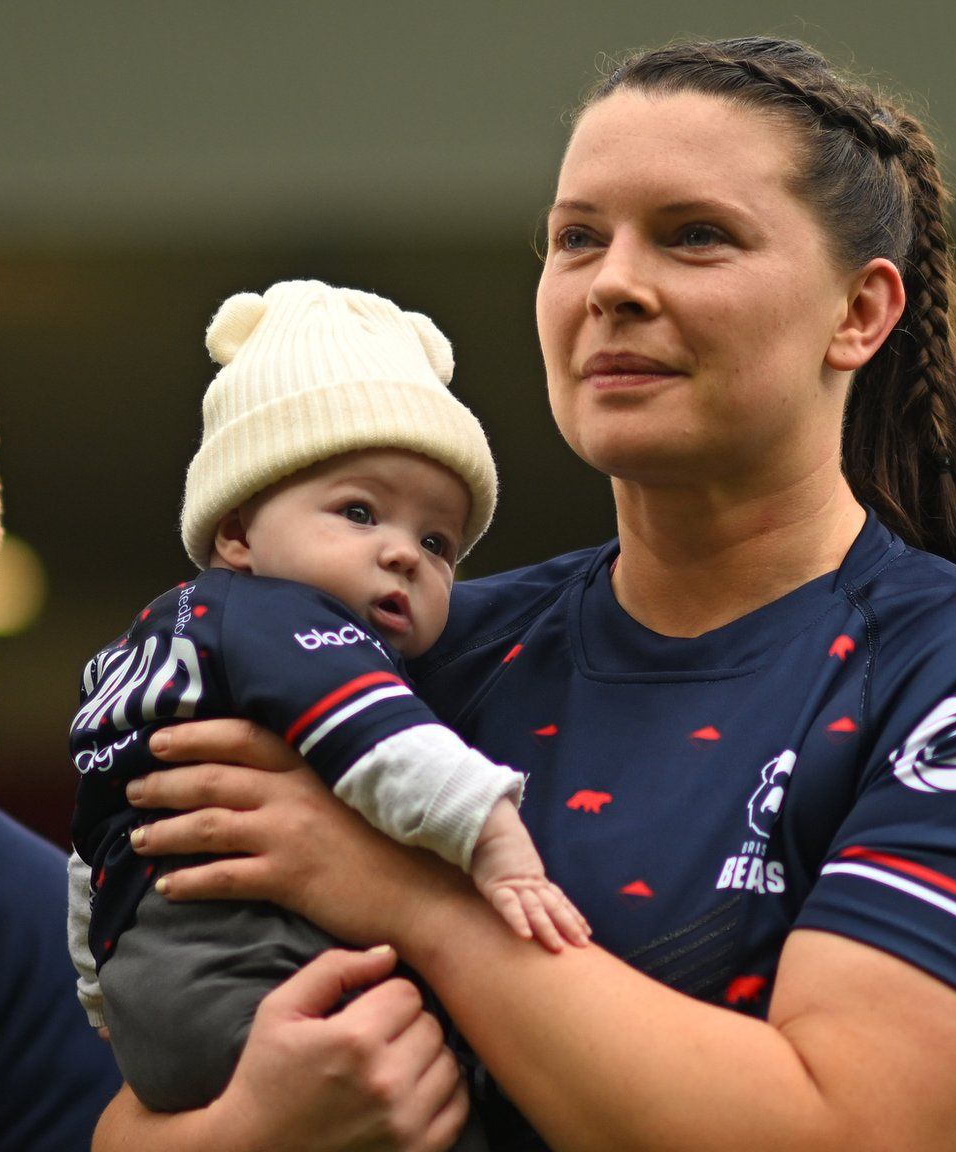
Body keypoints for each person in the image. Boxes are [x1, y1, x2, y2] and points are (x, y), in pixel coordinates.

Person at [94, 36, 956, 1151]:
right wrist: (255, 1128)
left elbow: (852, 1128)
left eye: (694, 236)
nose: (612, 286)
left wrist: (412, 897)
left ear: (858, 315)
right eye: (576, 239)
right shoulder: (400, 647)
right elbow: (129, 1110)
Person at [68, 280, 588, 1134]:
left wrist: (101, 988)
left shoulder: (136, 655)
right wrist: (498, 846)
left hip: (154, 1006)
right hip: (259, 983)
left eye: (437, 543)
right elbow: (383, 739)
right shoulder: (279, 619)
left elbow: (95, 848)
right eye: (358, 512)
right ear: (237, 534)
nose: (402, 555)